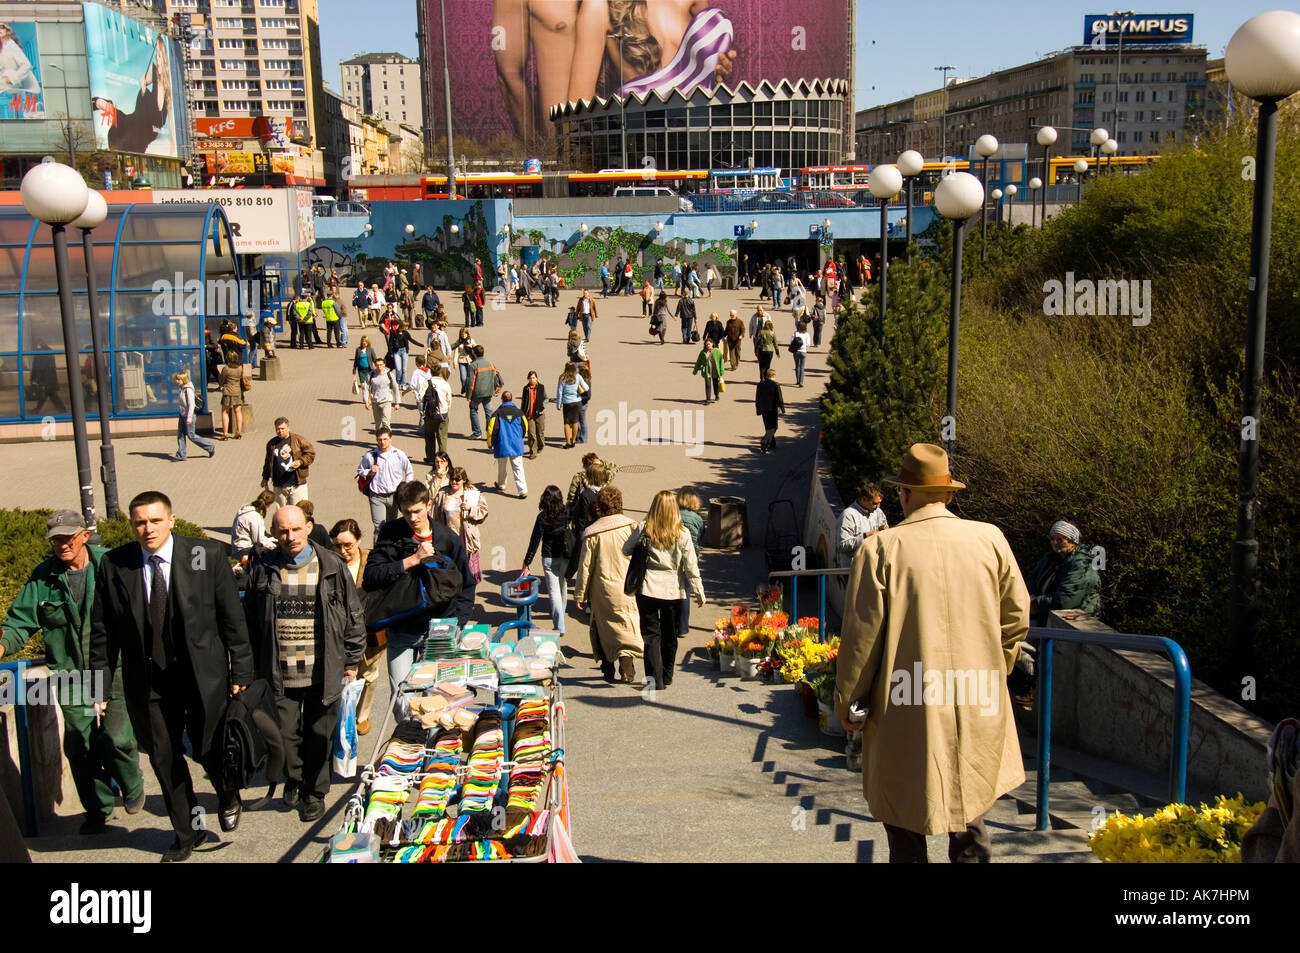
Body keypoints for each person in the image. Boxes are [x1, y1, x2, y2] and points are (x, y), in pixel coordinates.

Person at [833, 444, 1031, 863]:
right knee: (969, 803)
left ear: (904, 494)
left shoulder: (881, 550)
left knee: (904, 818)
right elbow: (1016, 617)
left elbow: (861, 643)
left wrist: (849, 703)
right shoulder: (989, 538)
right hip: (975, 698)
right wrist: (998, 667)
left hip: (906, 702)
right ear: (950, 494)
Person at [90, 491, 253, 862]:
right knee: (164, 759)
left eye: (155, 521)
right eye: (140, 523)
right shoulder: (116, 565)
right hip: (148, 682)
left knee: (208, 746)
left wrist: (240, 668)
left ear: (172, 520)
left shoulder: (206, 556)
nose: (148, 529)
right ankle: (187, 832)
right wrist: (97, 687)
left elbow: (232, 618)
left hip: (201, 676)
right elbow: (103, 631)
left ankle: (227, 791)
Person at [1, 511, 144, 835]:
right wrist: (2, 645)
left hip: (115, 666)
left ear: (83, 535)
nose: (61, 544)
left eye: (67, 537)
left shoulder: (110, 564)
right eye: (55, 539)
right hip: (70, 674)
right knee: (79, 746)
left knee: (116, 737)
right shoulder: (44, 578)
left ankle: (132, 784)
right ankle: (98, 807)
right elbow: (19, 623)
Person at [243, 505, 363, 822]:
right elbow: (250, 621)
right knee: (282, 737)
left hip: (324, 671)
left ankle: (314, 793)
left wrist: (351, 661)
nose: (290, 536)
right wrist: (250, 667)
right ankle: (294, 780)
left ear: (309, 527)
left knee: (318, 736)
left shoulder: (332, 566)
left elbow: (354, 616)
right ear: (274, 532)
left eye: (296, 529)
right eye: (283, 530)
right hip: (278, 673)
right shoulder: (263, 567)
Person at [363, 481, 476, 712]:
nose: (412, 518)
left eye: (417, 511)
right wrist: (411, 561)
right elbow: (372, 577)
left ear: (428, 504)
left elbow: (467, 583)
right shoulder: (391, 534)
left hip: (439, 630)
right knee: (403, 701)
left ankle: (430, 745)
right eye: (407, 512)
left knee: (436, 701)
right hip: (402, 629)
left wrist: (458, 625)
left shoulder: (447, 538)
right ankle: (409, 742)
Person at [624, 490, 705, 691]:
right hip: (673, 590)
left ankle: (654, 679)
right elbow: (691, 566)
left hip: (647, 588)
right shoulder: (683, 533)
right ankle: (667, 675)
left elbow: (625, 550)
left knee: (651, 636)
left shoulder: (644, 528)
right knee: (670, 634)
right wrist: (698, 592)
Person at [573, 486, 643, 683]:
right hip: (627, 586)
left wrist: (580, 594)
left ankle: (607, 668)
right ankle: (627, 665)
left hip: (601, 589)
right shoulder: (631, 526)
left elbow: (585, 567)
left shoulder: (592, 533)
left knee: (601, 628)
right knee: (626, 625)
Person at [329, 519, 380, 734]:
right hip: (340, 634)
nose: (343, 551)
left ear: (358, 540)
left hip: (369, 632)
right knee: (344, 677)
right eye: (337, 546)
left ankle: (362, 716)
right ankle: (343, 715)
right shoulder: (329, 563)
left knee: (369, 675)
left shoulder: (372, 562)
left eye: (348, 545)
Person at [1025, 521, 1102, 626]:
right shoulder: (1051, 558)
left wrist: (1034, 604)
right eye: (1052, 539)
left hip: (1071, 623)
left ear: (1072, 542)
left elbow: (1065, 601)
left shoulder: (1082, 565)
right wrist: (1027, 597)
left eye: (1060, 540)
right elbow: (1032, 579)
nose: (1054, 542)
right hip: (1044, 616)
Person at [521, 485, 572, 635]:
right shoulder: (566, 512)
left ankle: (560, 626)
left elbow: (534, 541)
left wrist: (527, 561)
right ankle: (560, 616)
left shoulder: (542, 517)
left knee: (553, 591)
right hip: (564, 555)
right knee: (563, 586)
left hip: (549, 557)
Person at [357, 426, 414, 544]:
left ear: (391, 439)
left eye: (385, 439)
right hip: (377, 496)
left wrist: (407, 490)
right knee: (379, 527)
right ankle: (378, 555)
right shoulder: (370, 455)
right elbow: (360, 471)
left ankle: (391, 551)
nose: (382, 442)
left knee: (392, 526)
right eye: (380, 440)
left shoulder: (398, 454)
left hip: (394, 496)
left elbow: (409, 471)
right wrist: (369, 471)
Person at [433, 466, 489, 583]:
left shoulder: (472, 493)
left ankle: (467, 588)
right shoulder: (443, 493)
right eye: (452, 479)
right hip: (449, 536)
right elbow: (437, 515)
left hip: (466, 537)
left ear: (463, 480)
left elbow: (483, 512)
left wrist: (470, 509)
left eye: (457, 480)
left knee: (468, 569)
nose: (454, 482)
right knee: (451, 565)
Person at [261, 417, 315, 509]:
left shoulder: (298, 440)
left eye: (283, 428)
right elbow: (268, 462)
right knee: (281, 514)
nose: (280, 431)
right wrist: (265, 477)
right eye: (278, 429)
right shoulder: (271, 444)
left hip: (297, 485)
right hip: (279, 486)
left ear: (288, 428)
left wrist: (300, 461)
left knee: (299, 512)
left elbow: (310, 454)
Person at [487, 390, 529, 499]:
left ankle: (501, 484)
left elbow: (492, 430)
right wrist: (520, 437)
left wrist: (490, 443)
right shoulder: (519, 413)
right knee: (518, 467)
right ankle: (522, 490)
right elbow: (525, 427)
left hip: (502, 443)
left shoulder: (496, 413)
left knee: (502, 466)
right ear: (512, 399)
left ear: (502, 400)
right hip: (516, 444)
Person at [676, 486, 705, 641]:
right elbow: (701, 536)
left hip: (675, 555)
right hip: (691, 556)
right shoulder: (698, 519)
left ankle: (672, 623)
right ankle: (683, 627)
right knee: (685, 591)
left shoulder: (674, 515)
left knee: (674, 588)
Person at [838, 484, 888, 567]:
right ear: (864, 499)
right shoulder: (848, 515)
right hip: (854, 569)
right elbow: (842, 545)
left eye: (879, 503)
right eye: (875, 503)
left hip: (874, 566)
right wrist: (865, 536)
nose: (878, 506)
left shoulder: (878, 512)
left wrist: (884, 532)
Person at [171, 370, 215, 461]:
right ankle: (181, 454)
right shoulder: (182, 388)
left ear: (183, 379)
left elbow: (191, 405)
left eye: (178, 380)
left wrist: (189, 418)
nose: (177, 381)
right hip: (182, 415)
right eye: (177, 379)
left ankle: (210, 446)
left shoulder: (188, 390)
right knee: (180, 435)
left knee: (191, 436)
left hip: (189, 416)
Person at [466, 345, 503, 440]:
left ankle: (477, 432)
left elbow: (471, 382)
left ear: (474, 353)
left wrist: (469, 395)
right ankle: (490, 433)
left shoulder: (473, 365)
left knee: (473, 410)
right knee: (489, 413)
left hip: (477, 393)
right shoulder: (489, 363)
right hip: (488, 392)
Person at [231, 490, 277, 563]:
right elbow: (259, 541)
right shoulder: (255, 517)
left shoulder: (244, 509)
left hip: (237, 549)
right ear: (269, 505)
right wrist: (274, 548)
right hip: (245, 552)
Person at [420, 365, 453, 461]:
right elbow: (449, 400)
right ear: (440, 372)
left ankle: (430, 457)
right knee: (442, 436)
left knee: (429, 435)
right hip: (442, 413)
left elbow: (420, 397)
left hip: (430, 413)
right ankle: (442, 458)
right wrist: (447, 409)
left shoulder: (427, 383)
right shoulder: (445, 384)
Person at [362, 356, 401, 434]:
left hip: (386, 401)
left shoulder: (389, 375)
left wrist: (397, 402)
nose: (379, 367)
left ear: (384, 365)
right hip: (375, 402)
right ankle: (379, 441)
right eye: (377, 365)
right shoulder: (371, 375)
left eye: (381, 365)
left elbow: (395, 388)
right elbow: (365, 388)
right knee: (378, 424)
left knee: (386, 422)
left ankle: (388, 440)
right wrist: (366, 401)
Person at [556, 361, 588, 449]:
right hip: (577, 402)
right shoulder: (577, 377)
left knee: (566, 423)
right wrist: (578, 390)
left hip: (567, 403)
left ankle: (568, 442)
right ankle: (573, 440)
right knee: (575, 422)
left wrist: (558, 404)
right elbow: (586, 388)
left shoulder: (562, 378)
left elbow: (560, 392)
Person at [217, 349, 247, 440]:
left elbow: (221, 380)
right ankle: (238, 433)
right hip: (237, 392)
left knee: (225, 412)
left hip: (227, 392)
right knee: (238, 412)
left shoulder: (226, 369)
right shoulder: (240, 368)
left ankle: (225, 434)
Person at [754, 367, 785, 453]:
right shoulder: (776, 385)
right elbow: (779, 397)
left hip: (764, 408)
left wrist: (758, 408)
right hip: (772, 408)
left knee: (767, 426)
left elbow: (757, 398)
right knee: (774, 427)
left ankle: (772, 442)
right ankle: (764, 441)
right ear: (773, 375)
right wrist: (782, 408)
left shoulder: (760, 385)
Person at [521, 370, 547, 459]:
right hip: (529, 415)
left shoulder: (541, 387)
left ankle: (541, 445)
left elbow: (546, 398)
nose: (532, 380)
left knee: (540, 433)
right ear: (528, 379)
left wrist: (543, 406)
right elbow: (523, 401)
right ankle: (533, 452)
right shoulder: (526, 389)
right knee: (531, 434)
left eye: (534, 378)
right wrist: (522, 412)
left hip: (539, 414)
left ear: (537, 378)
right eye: (530, 378)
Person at [693, 337, 725, 404]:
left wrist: (722, 371)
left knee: (715, 384)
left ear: (712, 344)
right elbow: (698, 362)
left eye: (709, 344)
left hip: (715, 371)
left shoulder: (717, 351)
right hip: (707, 371)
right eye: (706, 344)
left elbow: (721, 361)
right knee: (708, 385)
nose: (708, 346)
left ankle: (716, 395)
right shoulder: (703, 352)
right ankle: (708, 399)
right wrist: (695, 370)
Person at [454, 327, 478, 396]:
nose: (463, 335)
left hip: (470, 361)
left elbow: (477, 349)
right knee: (463, 377)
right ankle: (464, 388)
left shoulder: (471, 340)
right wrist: (455, 363)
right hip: (461, 361)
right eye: (462, 334)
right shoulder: (458, 342)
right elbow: (456, 352)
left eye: (465, 334)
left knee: (469, 377)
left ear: (467, 334)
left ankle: (468, 392)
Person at [790, 320, 812, 387]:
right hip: (803, 352)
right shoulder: (807, 334)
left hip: (796, 351)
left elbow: (791, 342)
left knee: (797, 366)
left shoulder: (795, 333)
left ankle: (797, 380)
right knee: (802, 367)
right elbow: (808, 344)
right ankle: (801, 382)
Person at [576, 365, 593, 444]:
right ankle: (579, 437)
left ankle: (583, 439)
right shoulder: (585, 381)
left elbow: (588, 396)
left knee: (582, 422)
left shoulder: (586, 383)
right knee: (579, 421)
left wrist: (579, 398)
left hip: (582, 404)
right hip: (580, 404)